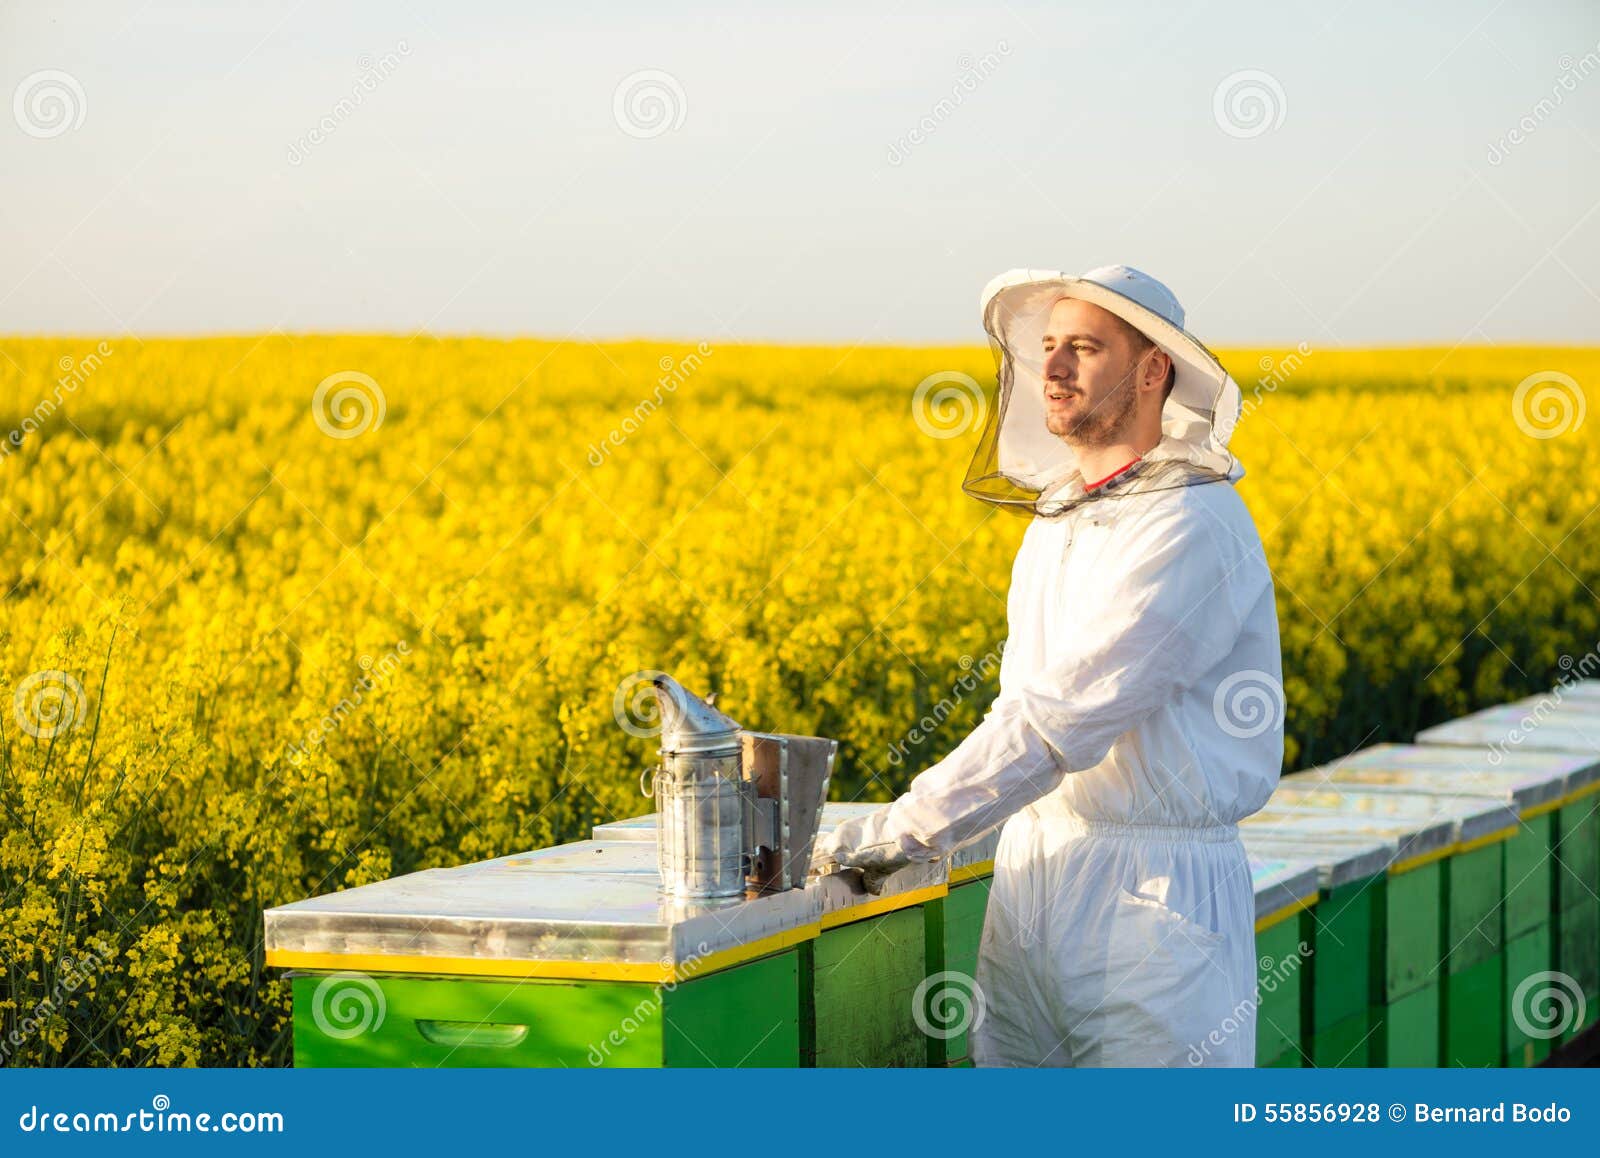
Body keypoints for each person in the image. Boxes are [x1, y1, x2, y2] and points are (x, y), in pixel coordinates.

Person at [814, 265, 1284, 1067]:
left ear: (1151, 371)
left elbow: (1061, 717)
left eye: (1085, 349)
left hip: (1153, 902)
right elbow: (1019, 709)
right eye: (1049, 348)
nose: (1055, 369)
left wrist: (909, 827)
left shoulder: (1190, 524)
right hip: (1032, 878)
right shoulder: (1060, 516)